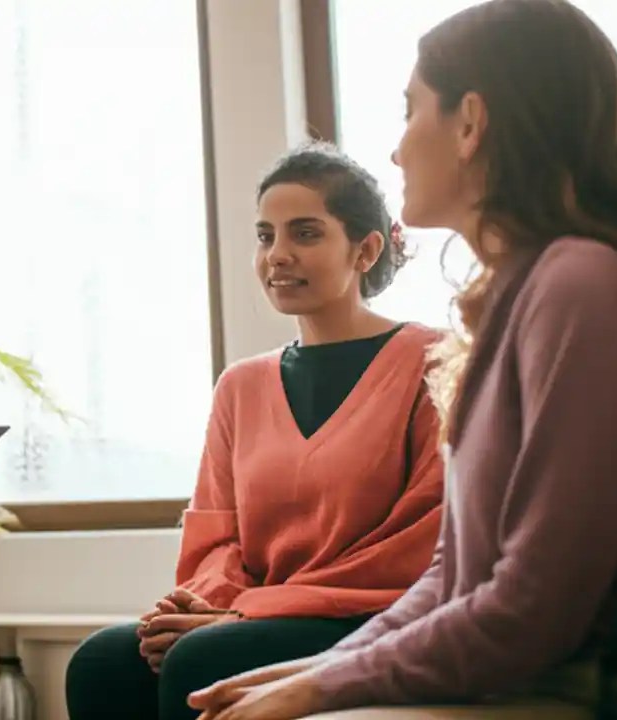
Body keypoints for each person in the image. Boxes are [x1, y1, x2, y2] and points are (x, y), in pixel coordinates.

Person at [188, 2, 617, 719]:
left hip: (560, 686)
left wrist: (318, 686)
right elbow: (451, 577)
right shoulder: (516, 301)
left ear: (470, 123)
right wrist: (313, 670)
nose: (395, 150)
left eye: (409, 112)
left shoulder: (579, 283)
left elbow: (534, 606)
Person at [65, 143, 445, 720]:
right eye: (266, 236)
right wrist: (206, 607)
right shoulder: (239, 387)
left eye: (306, 234)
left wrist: (249, 615)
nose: (278, 256)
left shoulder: (434, 363)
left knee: (202, 659)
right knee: (103, 661)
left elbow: (423, 541)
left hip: (373, 616)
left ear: (366, 249)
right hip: (253, 614)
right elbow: (217, 539)